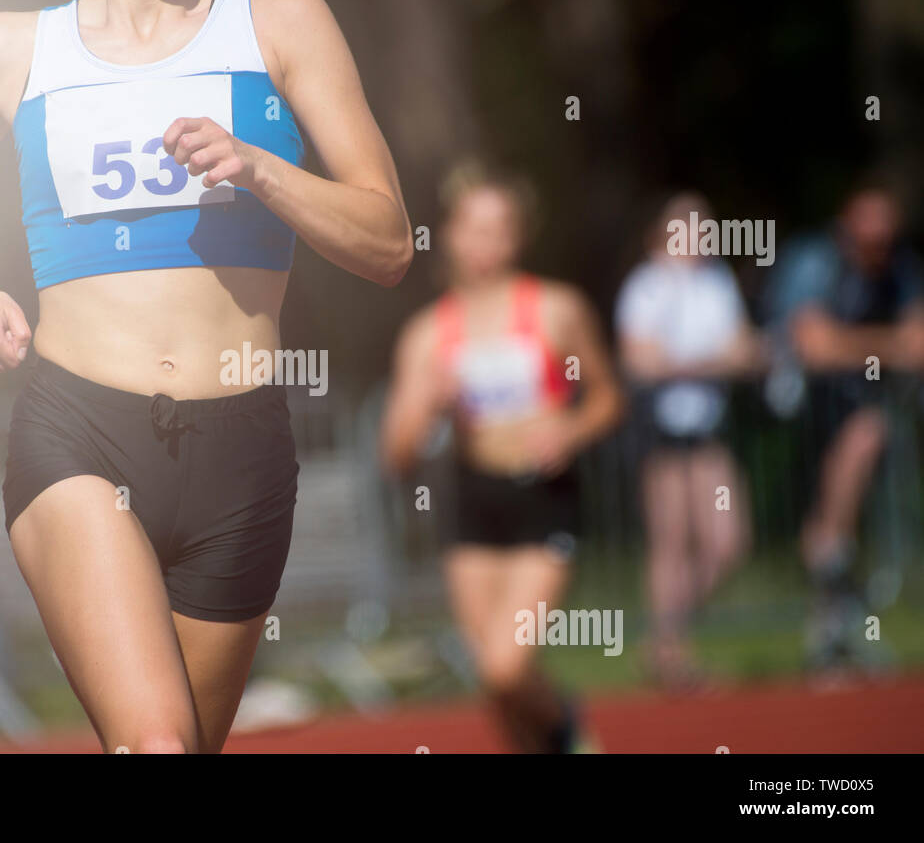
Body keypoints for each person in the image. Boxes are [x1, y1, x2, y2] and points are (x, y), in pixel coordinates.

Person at [0, 0, 412, 753]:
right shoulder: (9, 49)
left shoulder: (278, 18)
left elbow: (390, 242)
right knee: (156, 745)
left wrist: (260, 169)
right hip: (79, 435)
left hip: (241, 455)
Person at [379, 161, 622, 753]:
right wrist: (427, 406)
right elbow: (397, 453)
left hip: (543, 498)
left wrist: (570, 429)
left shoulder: (556, 309)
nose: (487, 242)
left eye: (500, 228)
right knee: (494, 684)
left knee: (505, 667)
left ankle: (567, 730)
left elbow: (609, 398)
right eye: (475, 228)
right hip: (472, 502)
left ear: (518, 236)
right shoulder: (427, 336)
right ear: (453, 235)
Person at [766, 181, 924, 668]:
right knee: (856, 453)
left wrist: (852, 344)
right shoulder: (815, 263)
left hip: (858, 404)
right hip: (800, 408)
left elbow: (917, 342)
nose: (878, 249)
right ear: (845, 229)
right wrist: (887, 344)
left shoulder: (901, 268)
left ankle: (834, 631)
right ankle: (833, 617)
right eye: (868, 238)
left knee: (843, 516)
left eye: (886, 239)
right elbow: (814, 345)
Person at [615, 191, 764, 687]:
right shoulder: (646, 286)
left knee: (727, 542)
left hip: (708, 431)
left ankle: (663, 638)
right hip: (661, 435)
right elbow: (641, 359)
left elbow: (743, 350)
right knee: (671, 543)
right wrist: (708, 361)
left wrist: (688, 365)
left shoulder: (717, 283)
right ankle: (671, 657)